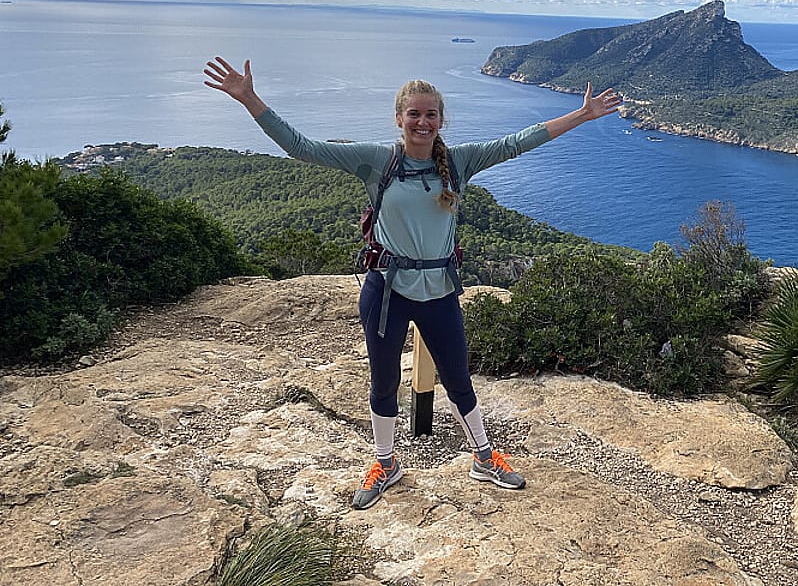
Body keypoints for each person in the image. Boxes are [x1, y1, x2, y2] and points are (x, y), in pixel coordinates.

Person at [203, 56, 621, 510]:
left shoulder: (459, 161)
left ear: (441, 120)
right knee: (384, 383)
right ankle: (386, 462)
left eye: (431, 114)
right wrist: (248, 99)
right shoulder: (376, 161)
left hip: (439, 290)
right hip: (387, 291)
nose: (422, 122)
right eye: (414, 114)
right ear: (399, 118)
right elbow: (304, 147)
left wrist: (582, 115)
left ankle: (483, 456)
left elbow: (519, 141)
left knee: (459, 379)